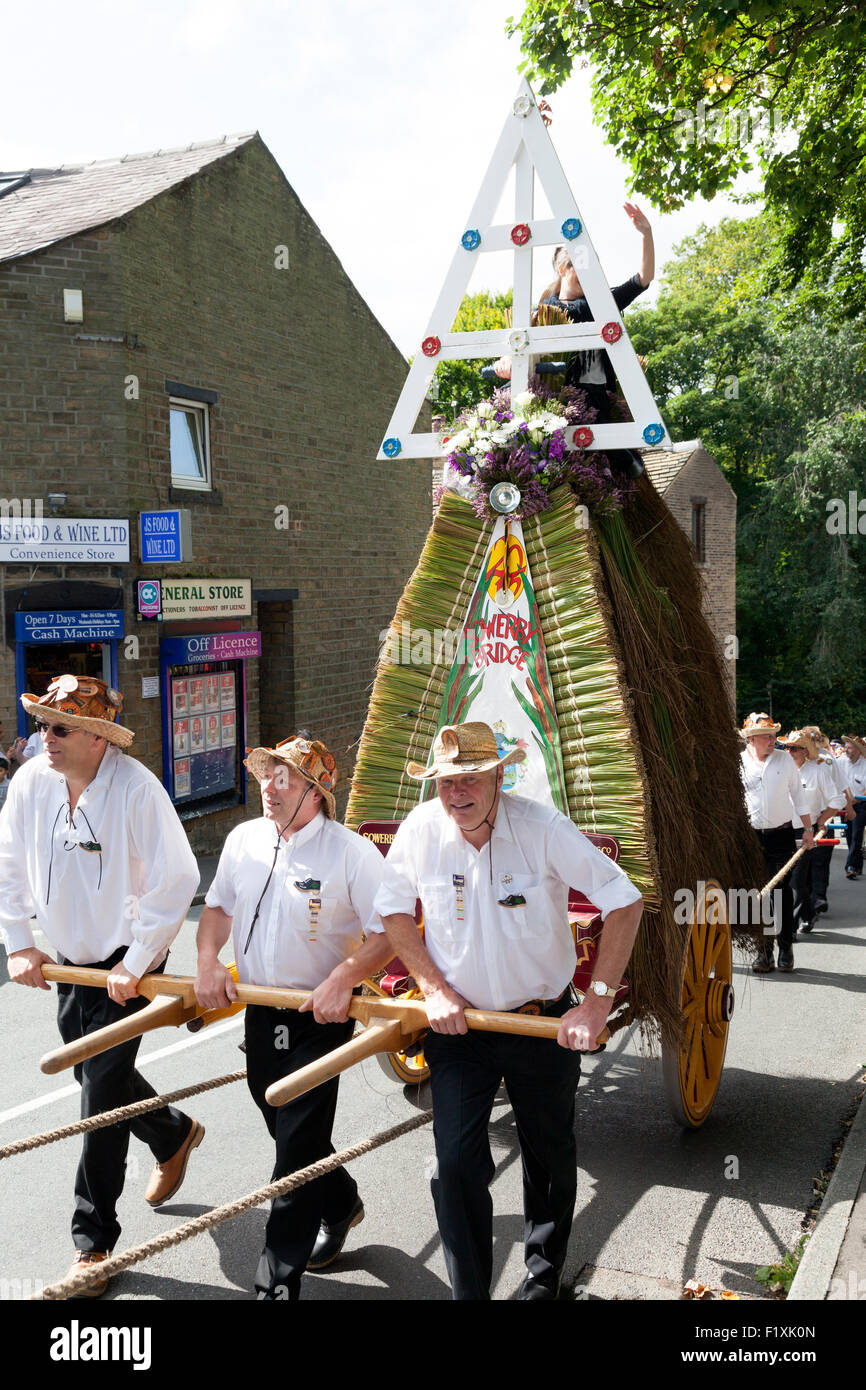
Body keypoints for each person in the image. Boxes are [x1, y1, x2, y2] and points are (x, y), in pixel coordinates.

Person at [371, 720, 643, 1300]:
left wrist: (595, 1004)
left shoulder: (541, 827)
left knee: (546, 1158)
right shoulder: (421, 829)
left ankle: (543, 1283)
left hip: (540, 1022)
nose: (455, 793)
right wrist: (434, 989)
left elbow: (625, 901)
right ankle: (470, 1294)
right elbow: (393, 911)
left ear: (499, 775)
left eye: (469, 778)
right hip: (459, 1028)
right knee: (454, 1165)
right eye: (444, 782)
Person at [0, 675, 201, 1297]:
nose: (45, 739)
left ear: (96, 738)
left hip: (125, 956)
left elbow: (177, 879)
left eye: (59, 728)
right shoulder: (33, 779)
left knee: (100, 1100)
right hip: (69, 952)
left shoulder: (138, 791)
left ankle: (95, 1245)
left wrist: (138, 959)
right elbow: (5, 857)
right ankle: (171, 1131)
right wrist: (20, 941)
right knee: (92, 1070)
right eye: (41, 725)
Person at [195, 733, 393, 1301]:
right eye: (264, 776)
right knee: (282, 1121)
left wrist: (344, 977)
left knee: (296, 1144)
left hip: (321, 1014)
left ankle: (276, 1282)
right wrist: (208, 960)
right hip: (262, 1009)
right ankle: (342, 1200)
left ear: (317, 793)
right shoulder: (243, 840)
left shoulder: (351, 853)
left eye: (284, 779)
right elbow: (217, 908)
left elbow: (387, 934)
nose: (269, 788)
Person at [738, 712, 813, 973]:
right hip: (750, 838)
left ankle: (785, 948)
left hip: (781, 835)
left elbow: (798, 795)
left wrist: (807, 828)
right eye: (767, 737)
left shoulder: (784, 760)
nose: (773, 740)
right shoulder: (739, 762)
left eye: (773, 735)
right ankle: (763, 951)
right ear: (753, 740)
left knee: (780, 894)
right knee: (756, 895)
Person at [777, 730, 843, 935]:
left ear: (806, 751)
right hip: (779, 830)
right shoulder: (780, 770)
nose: (789, 751)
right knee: (784, 879)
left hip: (805, 831)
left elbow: (837, 800)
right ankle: (808, 913)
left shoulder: (819, 771)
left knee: (797, 879)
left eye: (794, 748)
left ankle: (791, 927)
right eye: (787, 748)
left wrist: (823, 819)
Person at [801, 726, 853, 914]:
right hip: (804, 818)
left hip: (824, 816)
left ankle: (818, 897)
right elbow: (844, 787)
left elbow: (842, 786)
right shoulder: (794, 763)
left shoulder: (828, 760)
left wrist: (849, 807)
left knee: (819, 860)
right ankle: (811, 899)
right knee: (807, 864)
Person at [837, 736, 866, 879]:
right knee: (849, 835)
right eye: (845, 747)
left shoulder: (865, 764)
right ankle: (858, 864)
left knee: (856, 835)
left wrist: (855, 800)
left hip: (861, 804)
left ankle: (851, 866)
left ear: (858, 750)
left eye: (849, 748)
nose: (846, 750)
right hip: (845, 804)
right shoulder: (840, 762)